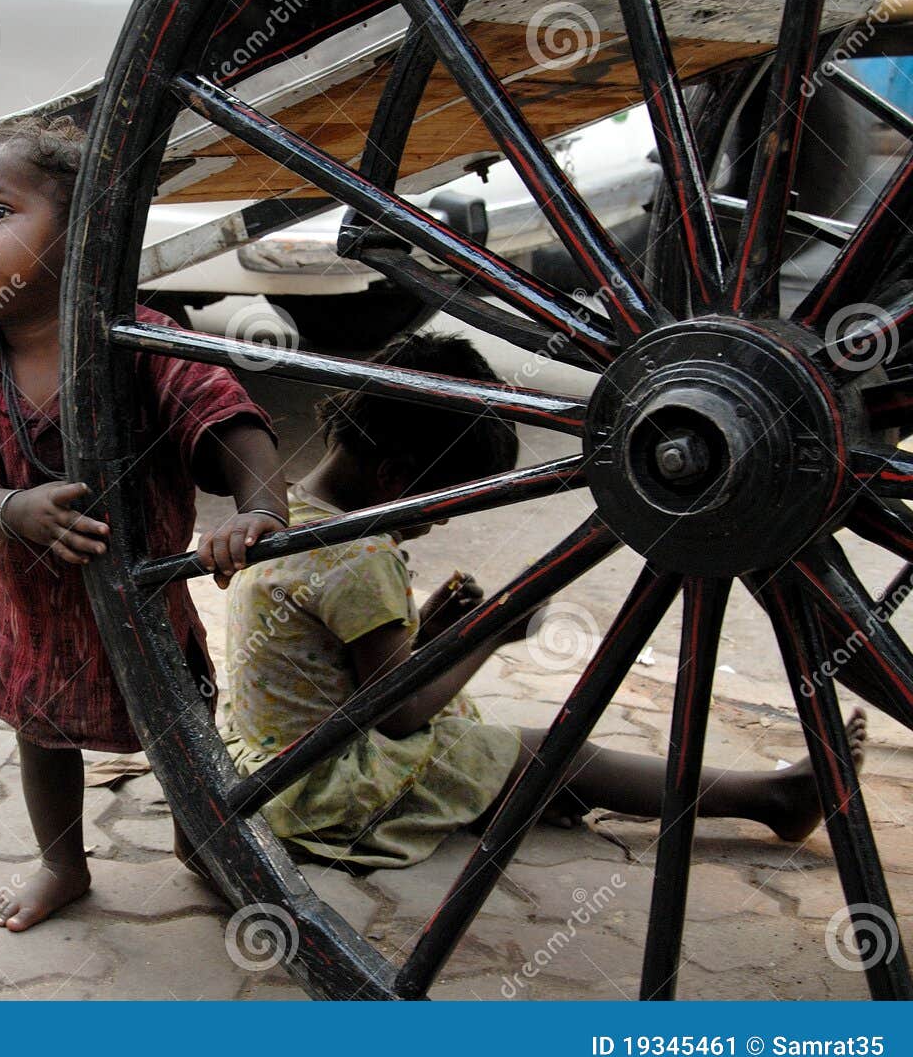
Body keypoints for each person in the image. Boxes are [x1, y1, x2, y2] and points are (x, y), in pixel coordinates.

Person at [220, 331, 866, 869]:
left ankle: (525, 789)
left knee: (491, 741)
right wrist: (487, 634)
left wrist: (437, 633)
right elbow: (399, 713)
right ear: (395, 477)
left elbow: (354, 672)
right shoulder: (360, 557)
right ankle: (771, 798)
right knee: (562, 749)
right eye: (439, 508)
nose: (437, 522)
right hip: (325, 788)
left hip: (277, 758)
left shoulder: (293, 517)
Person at [0, 115, 287, 931]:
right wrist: (11, 510)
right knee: (40, 739)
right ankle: (63, 862)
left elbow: (224, 420)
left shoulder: (141, 341)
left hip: (147, 618)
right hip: (34, 621)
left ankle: (204, 845)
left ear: (86, 230)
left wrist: (256, 509)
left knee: (185, 739)